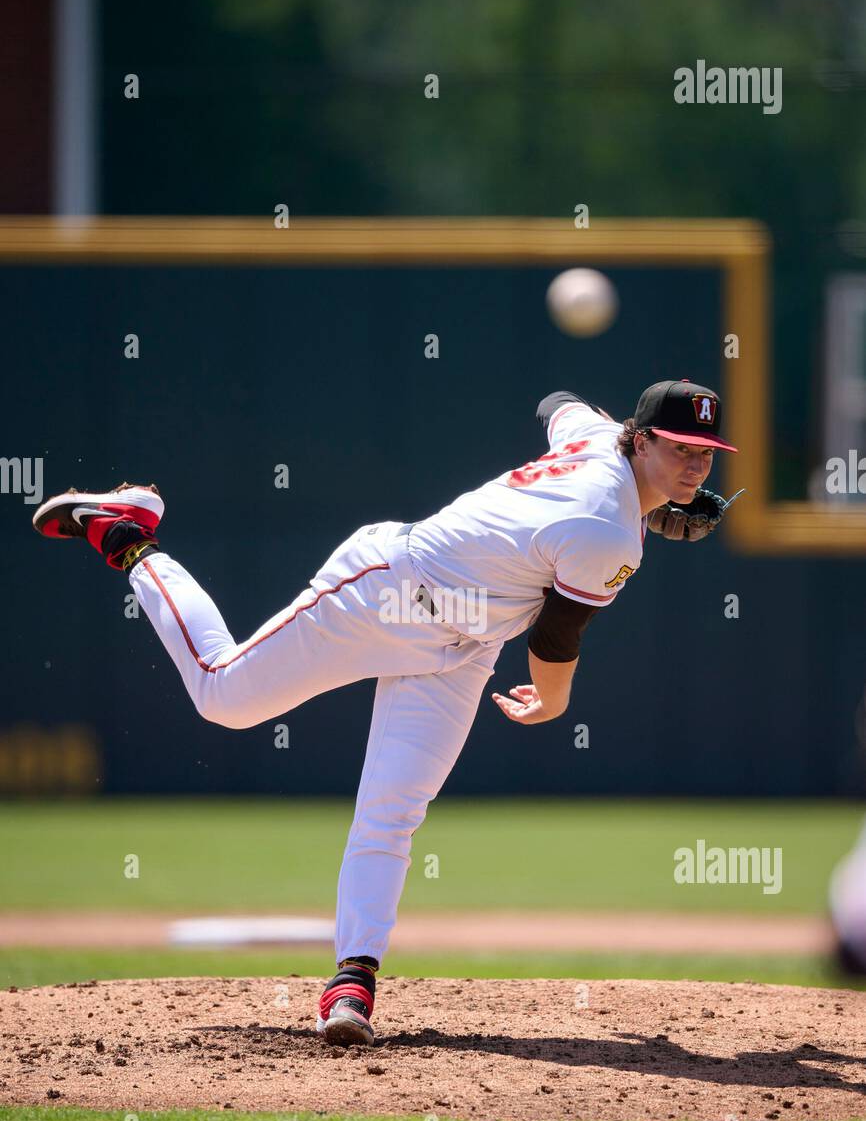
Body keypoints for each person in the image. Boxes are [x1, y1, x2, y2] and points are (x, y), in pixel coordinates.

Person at [33, 378, 738, 1045]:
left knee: (393, 809)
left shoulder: (598, 439)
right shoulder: (606, 529)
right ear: (640, 439)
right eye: (680, 447)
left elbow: (559, 403)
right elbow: (555, 636)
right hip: (386, 593)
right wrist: (554, 701)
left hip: (464, 645)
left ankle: (352, 985)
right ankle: (128, 533)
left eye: (706, 452)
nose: (696, 464)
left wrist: (638, 489)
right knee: (225, 697)